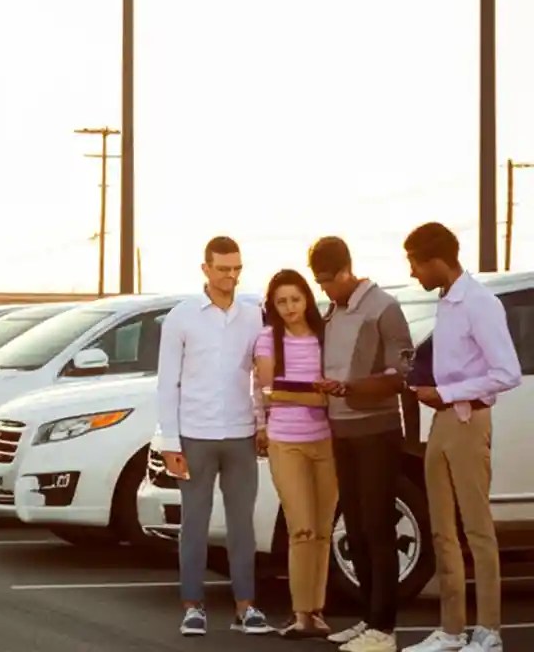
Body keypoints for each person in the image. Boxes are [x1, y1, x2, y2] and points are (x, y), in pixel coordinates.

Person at [400, 223, 521, 652]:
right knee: (441, 530)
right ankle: (452, 630)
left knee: (476, 529)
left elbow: (506, 373)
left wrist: (448, 392)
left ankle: (488, 631)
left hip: (470, 421)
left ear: (435, 260)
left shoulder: (480, 303)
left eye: (415, 262)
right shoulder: (447, 304)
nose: (413, 272)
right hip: (444, 421)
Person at [157, 235, 269, 637]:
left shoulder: (254, 315)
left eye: (237, 268)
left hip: (240, 434)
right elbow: (167, 383)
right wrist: (170, 442)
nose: (232, 276)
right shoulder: (182, 317)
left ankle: (246, 607)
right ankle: (193, 607)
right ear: (205, 269)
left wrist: (261, 424)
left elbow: (260, 377)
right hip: (194, 435)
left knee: (243, 525)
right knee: (195, 524)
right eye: (224, 268)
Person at [307, 236, 413, 652]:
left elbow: (399, 374)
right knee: (354, 529)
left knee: (378, 528)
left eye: (328, 281)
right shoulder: (333, 310)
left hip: (377, 432)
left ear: (347, 271)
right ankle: (369, 619)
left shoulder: (384, 307)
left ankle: (385, 630)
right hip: (342, 432)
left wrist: (350, 387)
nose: (324, 289)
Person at [252, 269, 337, 639]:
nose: (289, 308)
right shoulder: (268, 339)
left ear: (307, 300)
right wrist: (262, 422)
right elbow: (268, 389)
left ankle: (316, 611)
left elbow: (333, 388)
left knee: (322, 530)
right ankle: (300, 612)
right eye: (281, 301)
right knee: (300, 527)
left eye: (295, 300)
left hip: (327, 442)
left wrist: (299, 393)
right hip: (285, 442)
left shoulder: (325, 337)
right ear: (273, 305)